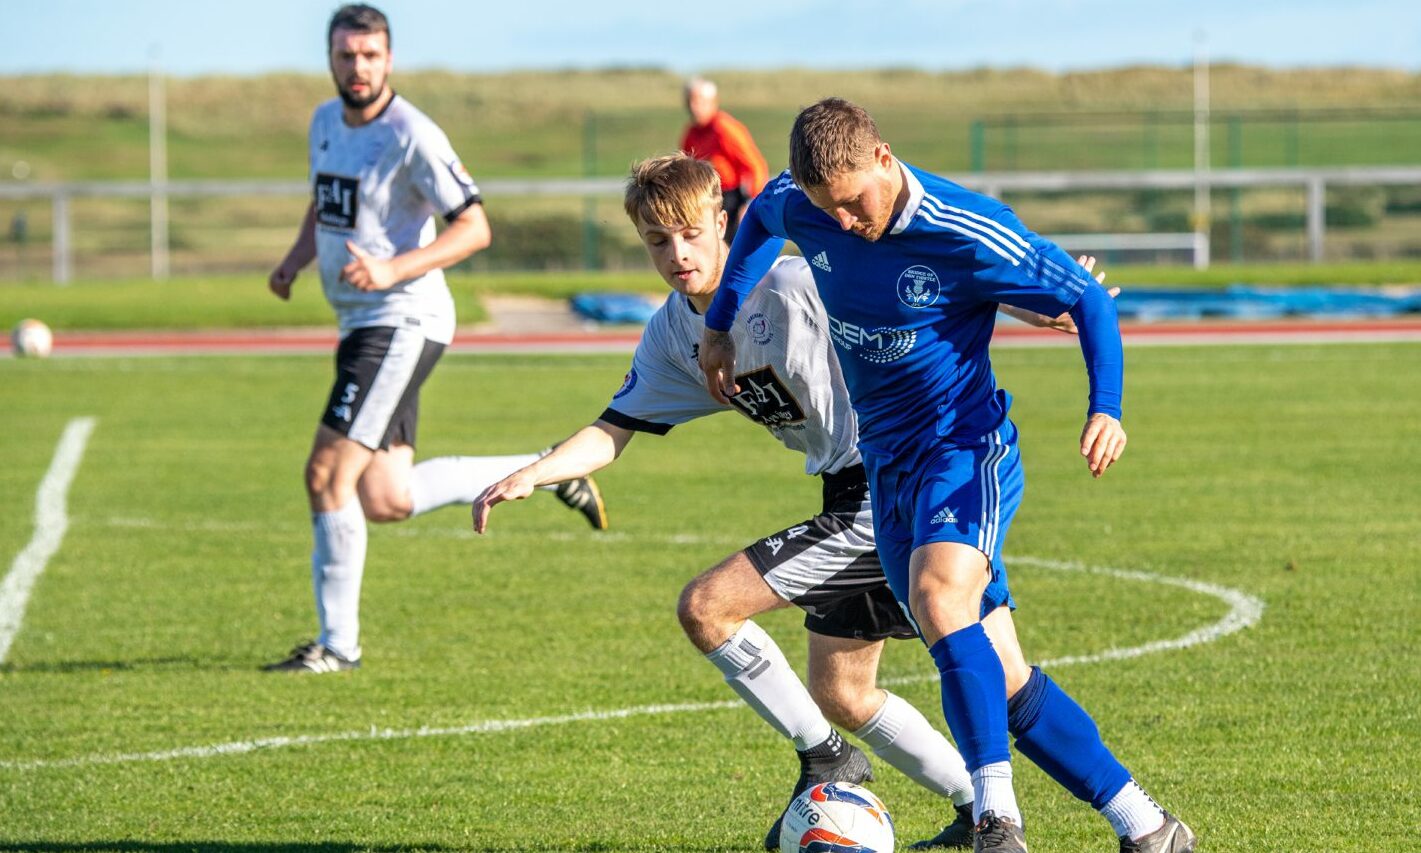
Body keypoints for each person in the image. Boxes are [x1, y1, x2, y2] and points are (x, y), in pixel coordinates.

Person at [473, 154, 1087, 851]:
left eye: (690, 233)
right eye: (656, 240)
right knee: (844, 694)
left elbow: (911, 283)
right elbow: (616, 426)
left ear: (724, 224)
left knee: (707, 605)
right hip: (847, 490)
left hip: (888, 485)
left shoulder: (792, 281)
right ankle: (978, 813)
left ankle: (830, 758)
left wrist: (1027, 302)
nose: (677, 254)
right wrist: (537, 470)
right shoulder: (674, 332)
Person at [698, 99, 1195, 853]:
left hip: (965, 450)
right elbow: (760, 227)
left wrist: (1106, 407)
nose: (845, 221)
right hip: (886, 467)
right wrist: (717, 326)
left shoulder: (965, 227)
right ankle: (1147, 825)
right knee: (1002, 676)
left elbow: (1085, 296)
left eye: (855, 200)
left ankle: (997, 821)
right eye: (826, 208)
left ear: (885, 158)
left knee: (936, 597)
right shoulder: (800, 203)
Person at [263, 4, 606, 674]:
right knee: (384, 495)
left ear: (388, 59)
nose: (357, 67)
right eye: (345, 55)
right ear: (330, 58)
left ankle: (337, 647)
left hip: (400, 319)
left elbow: (474, 227)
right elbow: (323, 203)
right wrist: (295, 258)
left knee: (326, 474)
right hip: (361, 322)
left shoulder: (412, 134)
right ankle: (547, 466)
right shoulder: (324, 123)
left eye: (369, 55)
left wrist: (392, 266)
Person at [680, 77, 769, 243]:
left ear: (712, 102)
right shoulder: (691, 133)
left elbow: (755, 166)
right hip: (705, 200)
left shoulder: (724, 128)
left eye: (698, 101)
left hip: (731, 200)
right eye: (690, 102)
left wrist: (751, 203)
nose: (693, 107)